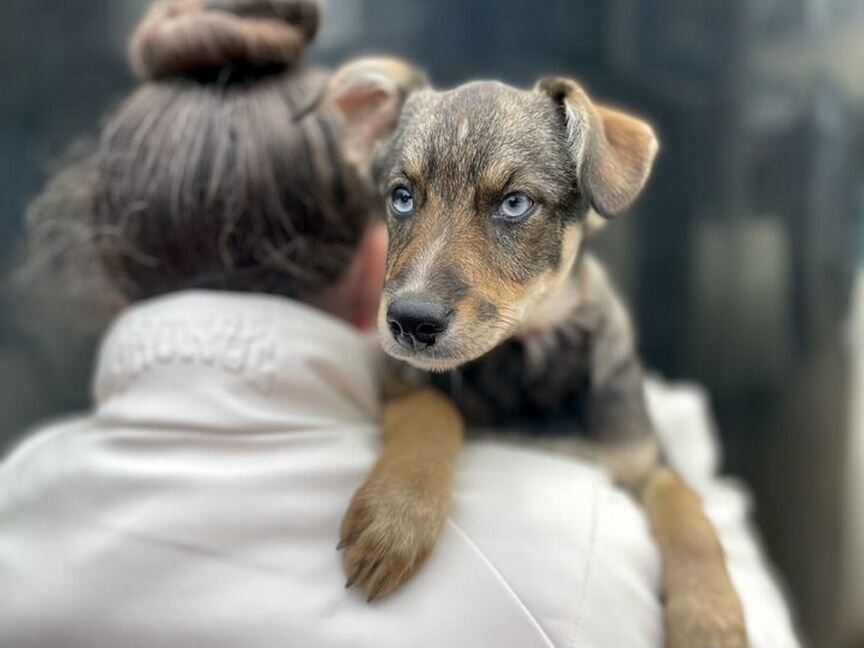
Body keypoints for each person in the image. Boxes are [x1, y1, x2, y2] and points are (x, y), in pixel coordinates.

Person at [0, 1, 800, 647]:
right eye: (406, 197)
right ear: (367, 238)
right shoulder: (574, 554)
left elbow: (651, 470)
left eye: (512, 204)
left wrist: (691, 521)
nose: (417, 287)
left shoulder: (23, 497)